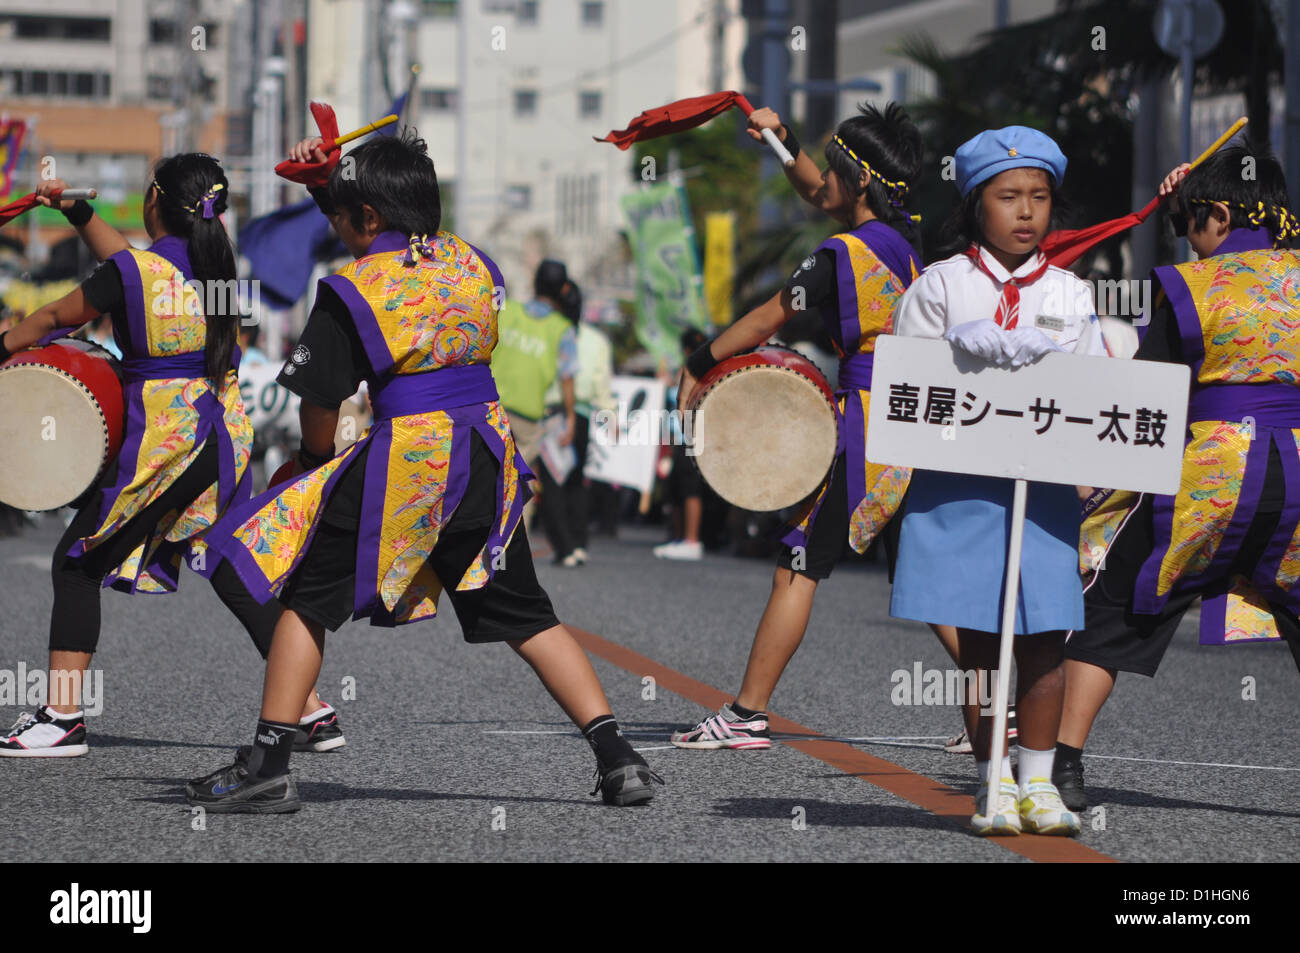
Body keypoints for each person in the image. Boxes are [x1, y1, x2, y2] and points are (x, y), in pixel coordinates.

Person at [185, 132, 660, 812]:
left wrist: (316, 468)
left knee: (305, 598)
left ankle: (270, 760)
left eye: (340, 217)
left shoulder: (351, 288)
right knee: (528, 615)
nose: (336, 231)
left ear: (369, 219)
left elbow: (320, 405)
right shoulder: (474, 262)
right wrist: (340, 184)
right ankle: (619, 755)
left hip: (409, 459)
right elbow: (419, 261)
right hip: (486, 455)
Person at [0, 157, 341, 758]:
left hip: (167, 441)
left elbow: (56, 316)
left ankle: (62, 716)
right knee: (231, 566)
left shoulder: (137, 272)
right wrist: (76, 210)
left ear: (154, 198)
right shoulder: (217, 266)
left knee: (77, 563)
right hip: (222, 437)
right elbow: (132, 265)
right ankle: (310, 711)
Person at [670, 103, 963, 748]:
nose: (818, 183)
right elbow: (819, 186)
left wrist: (699, 362)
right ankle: (1001, 715)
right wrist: (781, 140)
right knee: (929, 576)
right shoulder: (906, 237)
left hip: (866, 424)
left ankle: (746, 714)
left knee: (797, 565)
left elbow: (771, 315)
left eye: (832, 170)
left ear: (857, 183)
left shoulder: (840, 255)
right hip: (917, 413)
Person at [1056, 144, 1300, 811]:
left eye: (1189, 224)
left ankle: (1066, 765)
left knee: (1115, 602)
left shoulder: (1193, 288)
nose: (1188, 243)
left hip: (1213, 478)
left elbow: (1147, 396)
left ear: (1219, 215)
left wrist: (1093, 488)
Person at [889, 126, 1105, 836]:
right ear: (975, 204)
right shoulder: (942, 284)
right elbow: (906, 384)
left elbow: (1099, 387)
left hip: (1042, 488)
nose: (1025, 211)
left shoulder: (1073, 293)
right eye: (1008, 196)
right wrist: (958, 358)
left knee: (1047, 634)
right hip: (961, 486)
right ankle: (992, 780)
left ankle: (1038, 782)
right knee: (981, 641)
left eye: (1039, 197)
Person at [491, 259, 579, 561]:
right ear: (564, 289)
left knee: (485, 474)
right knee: (520, 481)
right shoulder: (563, 329)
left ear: (534, 282)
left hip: (492, 406)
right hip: (529, 417)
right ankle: (512, 553)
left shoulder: (508, 310)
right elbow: (568, 378)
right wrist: (570, 418)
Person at [537, 281, 614, 565]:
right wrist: (610, 413)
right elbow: (602, 385)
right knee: (577, 480)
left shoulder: (551, 333)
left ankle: (565, 546)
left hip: (553, 412)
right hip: (583, 414)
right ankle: (580, 542)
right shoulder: (597, 341)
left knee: (552, 482)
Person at [655, 328, 708, 561]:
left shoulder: (697, 372)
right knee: (677, 490)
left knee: (690, 490)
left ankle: (691, 539)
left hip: (693, 437)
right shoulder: (687, 372)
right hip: (680, 437)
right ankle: (680, 539)